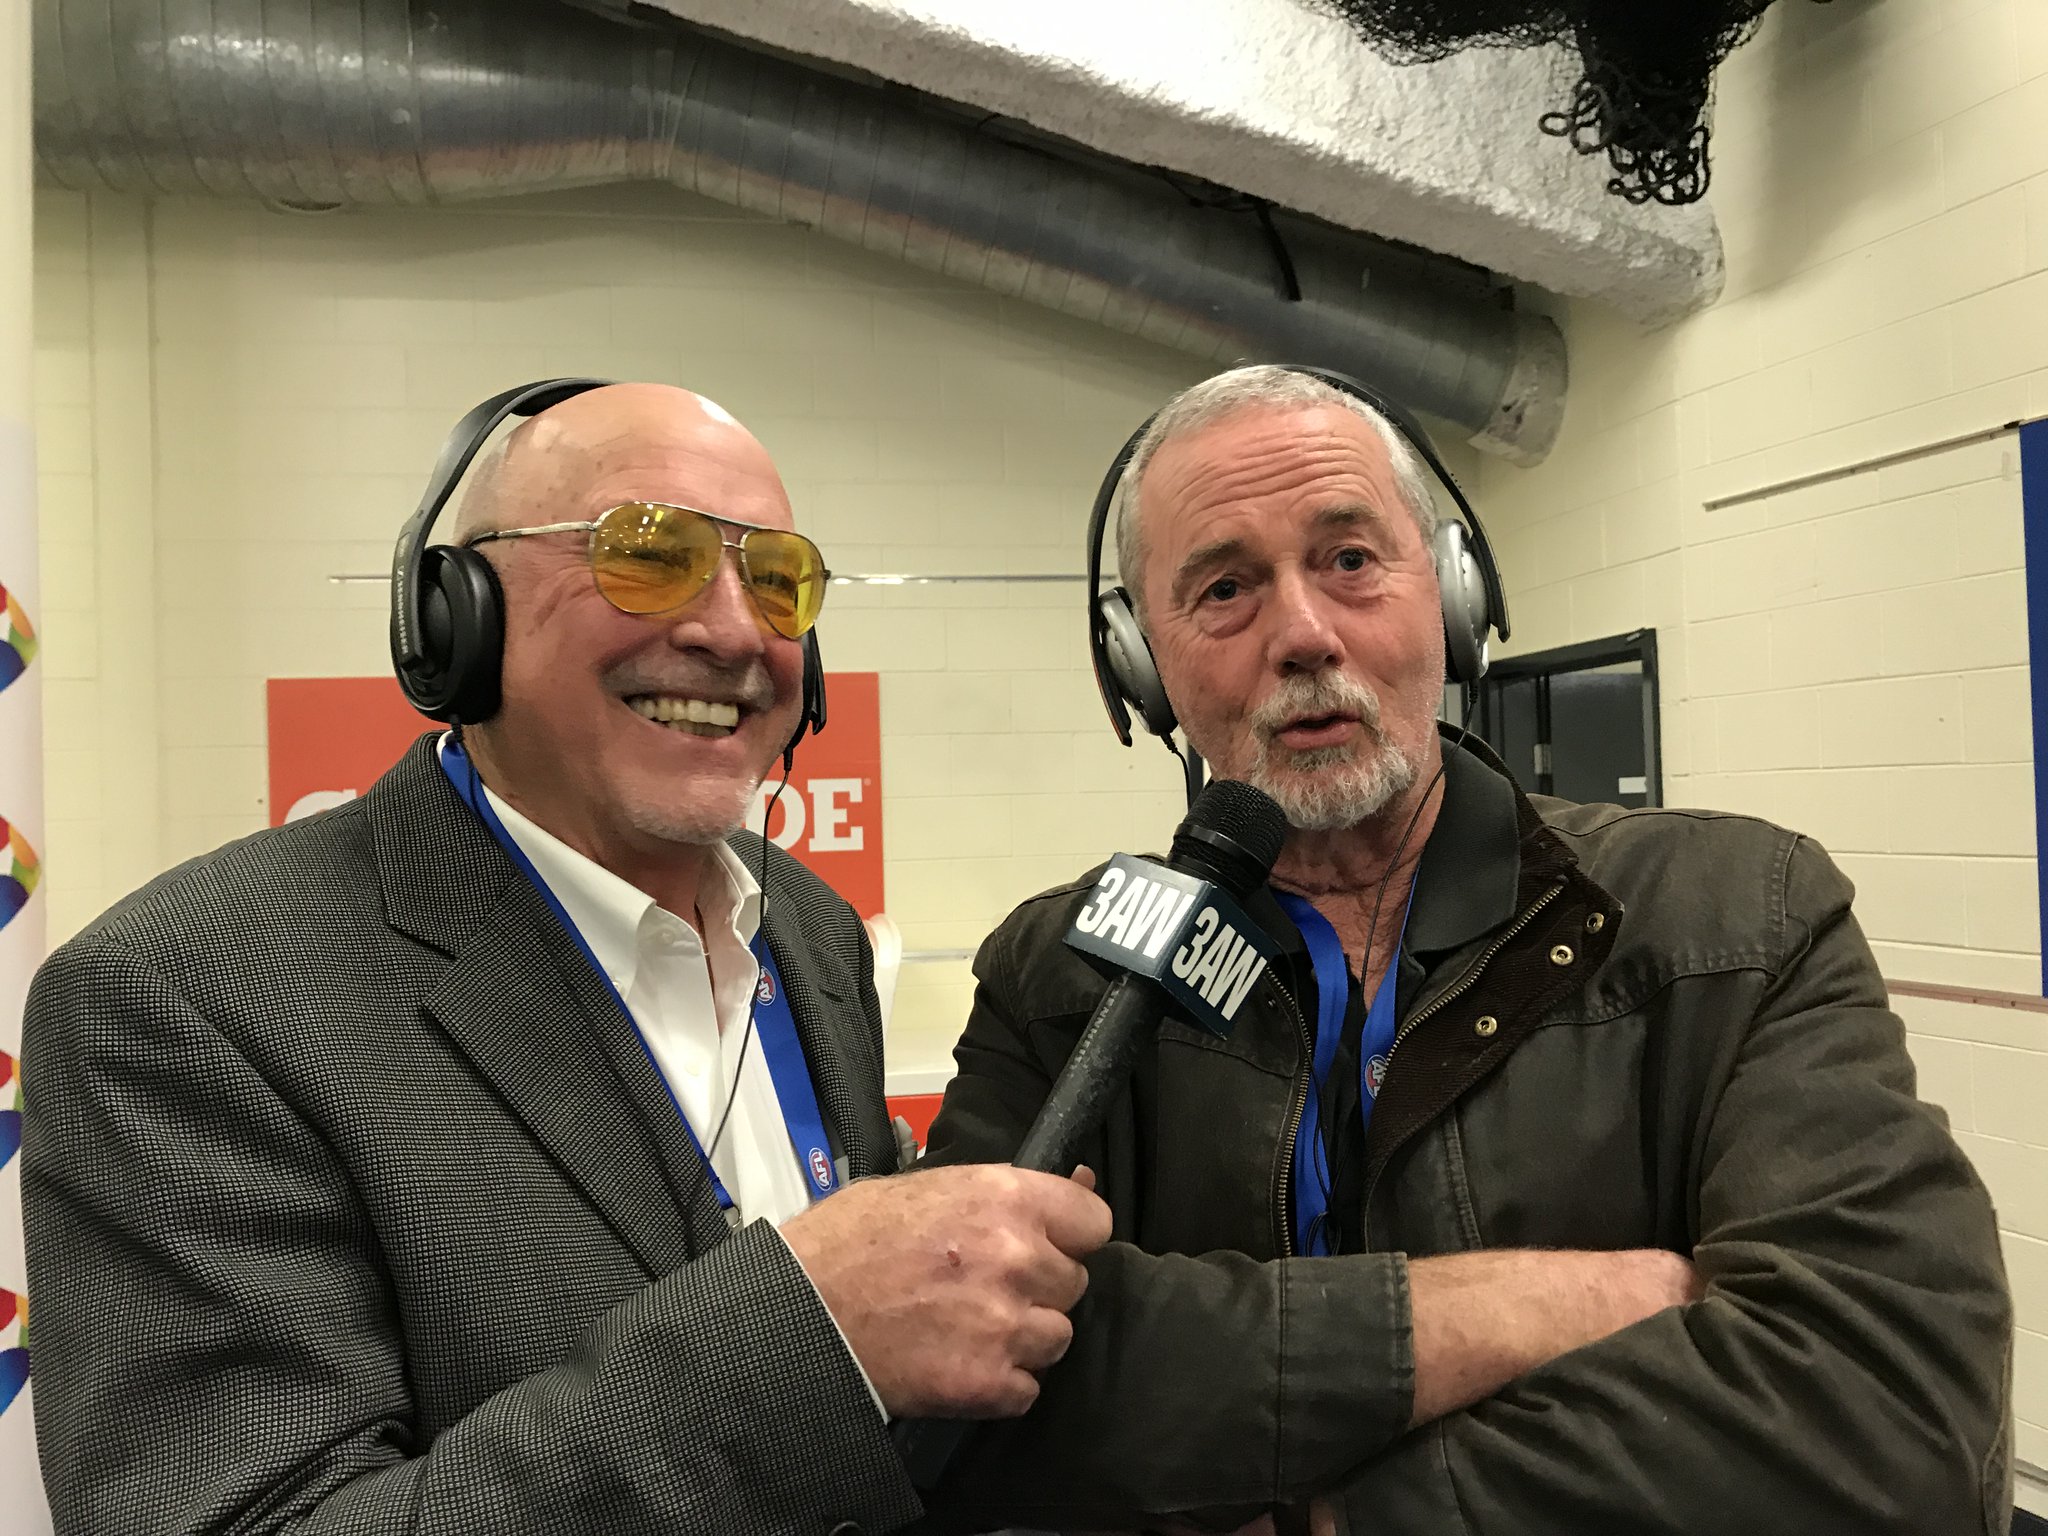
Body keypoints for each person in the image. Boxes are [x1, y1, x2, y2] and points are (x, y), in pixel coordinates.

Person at [916, 365, 2014, 1535]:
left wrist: (1335, 1522)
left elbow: (1890, 1411)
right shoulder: (1059, 978)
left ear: (1448, 594)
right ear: (1143, 667)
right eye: (1225, 587)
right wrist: (1536, 1309)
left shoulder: (1734, 920)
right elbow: (958, 1414)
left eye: (1347, 559)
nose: (1300, 633)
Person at [21, 382, 1109, 1536]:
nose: (735, 632)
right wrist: (813, 1332)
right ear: (458, 616)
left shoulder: (807, 923)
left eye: (777, 580)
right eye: (650, 555)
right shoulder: (186, 997)